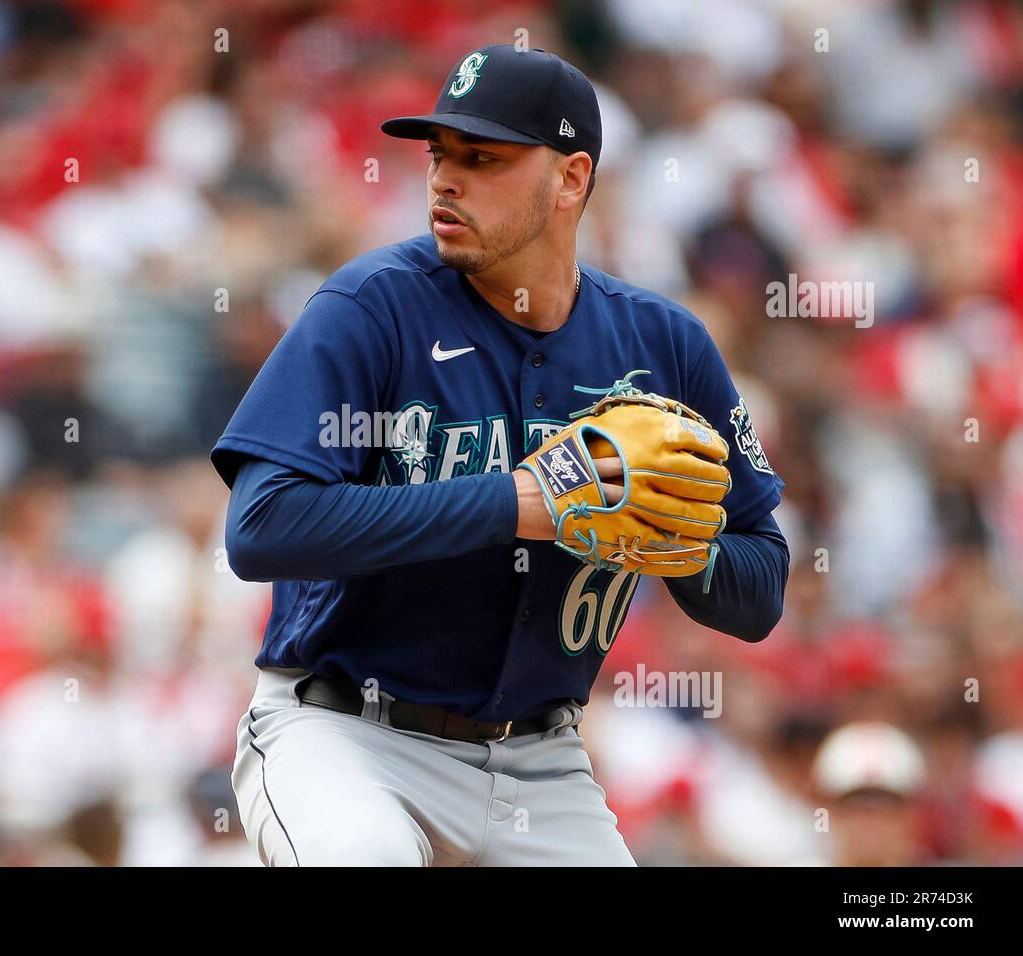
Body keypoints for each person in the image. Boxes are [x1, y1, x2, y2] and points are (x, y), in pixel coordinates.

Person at [212, 44, 789, 866]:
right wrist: (523, 501)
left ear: (571, 178)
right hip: (344, 737)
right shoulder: (369, 308)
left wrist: (664, 534)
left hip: (539, 765)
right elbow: (261, 527)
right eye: (440, 156)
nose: (446, 180)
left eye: (482, 159)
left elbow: (761, 586)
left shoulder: (666, 344)